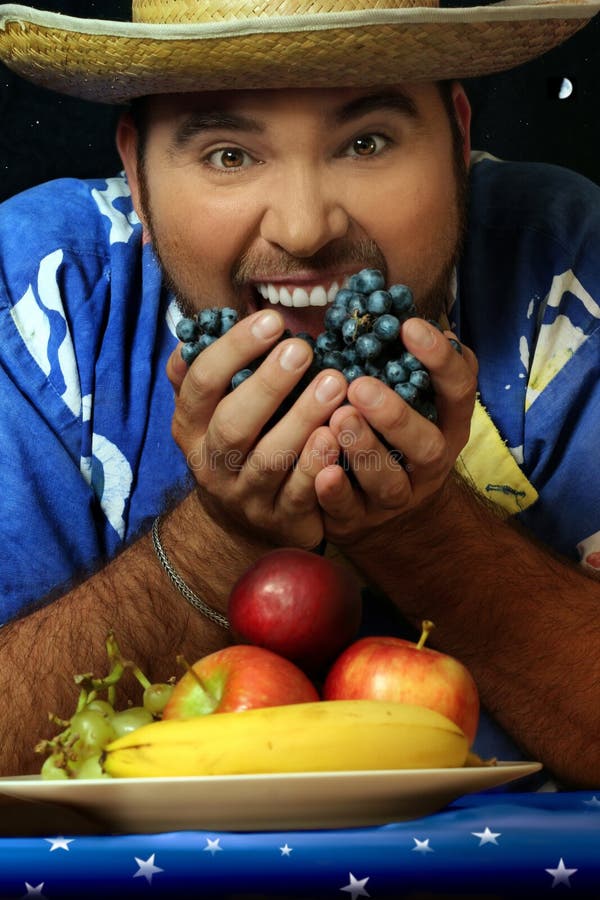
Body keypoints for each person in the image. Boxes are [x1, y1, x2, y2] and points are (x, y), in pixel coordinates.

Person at [0, 0, 599, 787]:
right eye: (227, 155)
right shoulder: (44, 295)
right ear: (135, 176)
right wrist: (218, 539)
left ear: (457, 140)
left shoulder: (567, 270)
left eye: (366, 142)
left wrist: (422, 531)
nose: (305, 228)